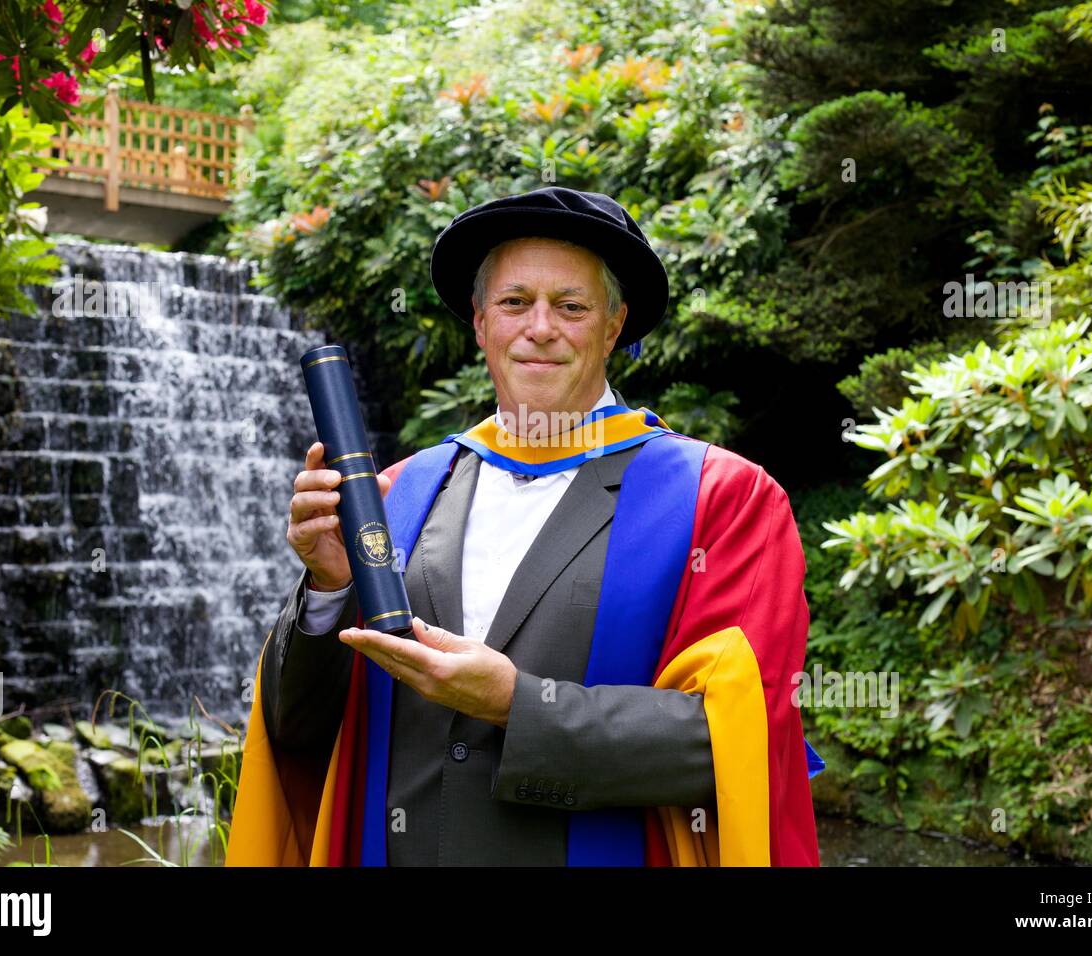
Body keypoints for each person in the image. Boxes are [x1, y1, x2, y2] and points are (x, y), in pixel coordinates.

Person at [225, 186, 823, 867]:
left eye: (571, 306)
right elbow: (296, 733)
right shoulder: (398, 493)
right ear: (481, 323)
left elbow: (733, 744)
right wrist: (329, 588)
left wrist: (519, 706)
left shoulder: (721, 501)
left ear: (613, 326)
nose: (540, 327)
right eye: (514, 302)